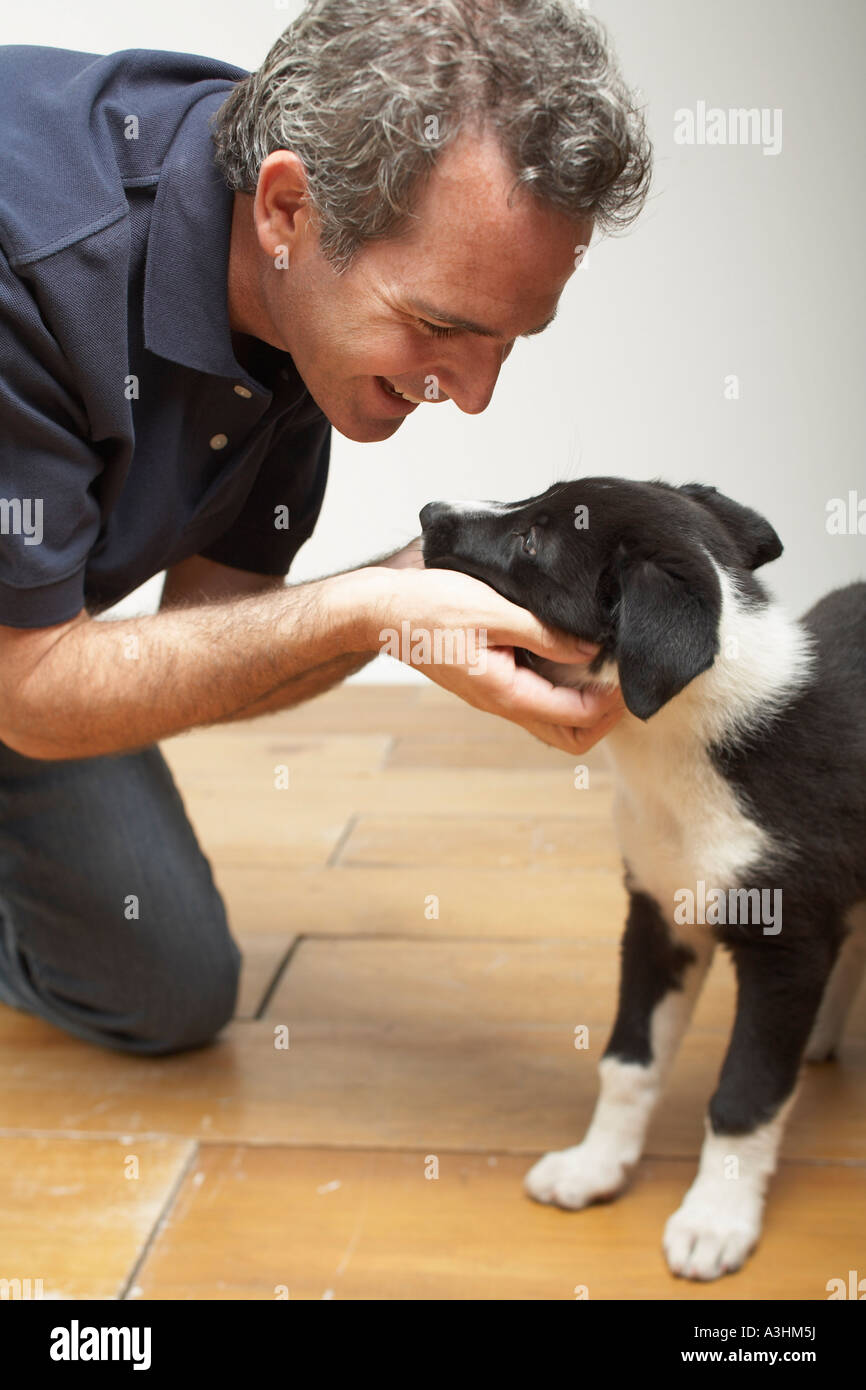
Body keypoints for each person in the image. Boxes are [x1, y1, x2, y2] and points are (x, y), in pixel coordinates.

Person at [0, 0, 651, 1054]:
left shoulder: (299, 294)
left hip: (16, 642)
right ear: (285, 209)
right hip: (18, 664)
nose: (473, 394)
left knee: (163, 986)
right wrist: (369, 611)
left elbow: (223, 629)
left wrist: (413, 590)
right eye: (441, 326)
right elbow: (31, 697)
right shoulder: (29, 261)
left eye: (507, 341)